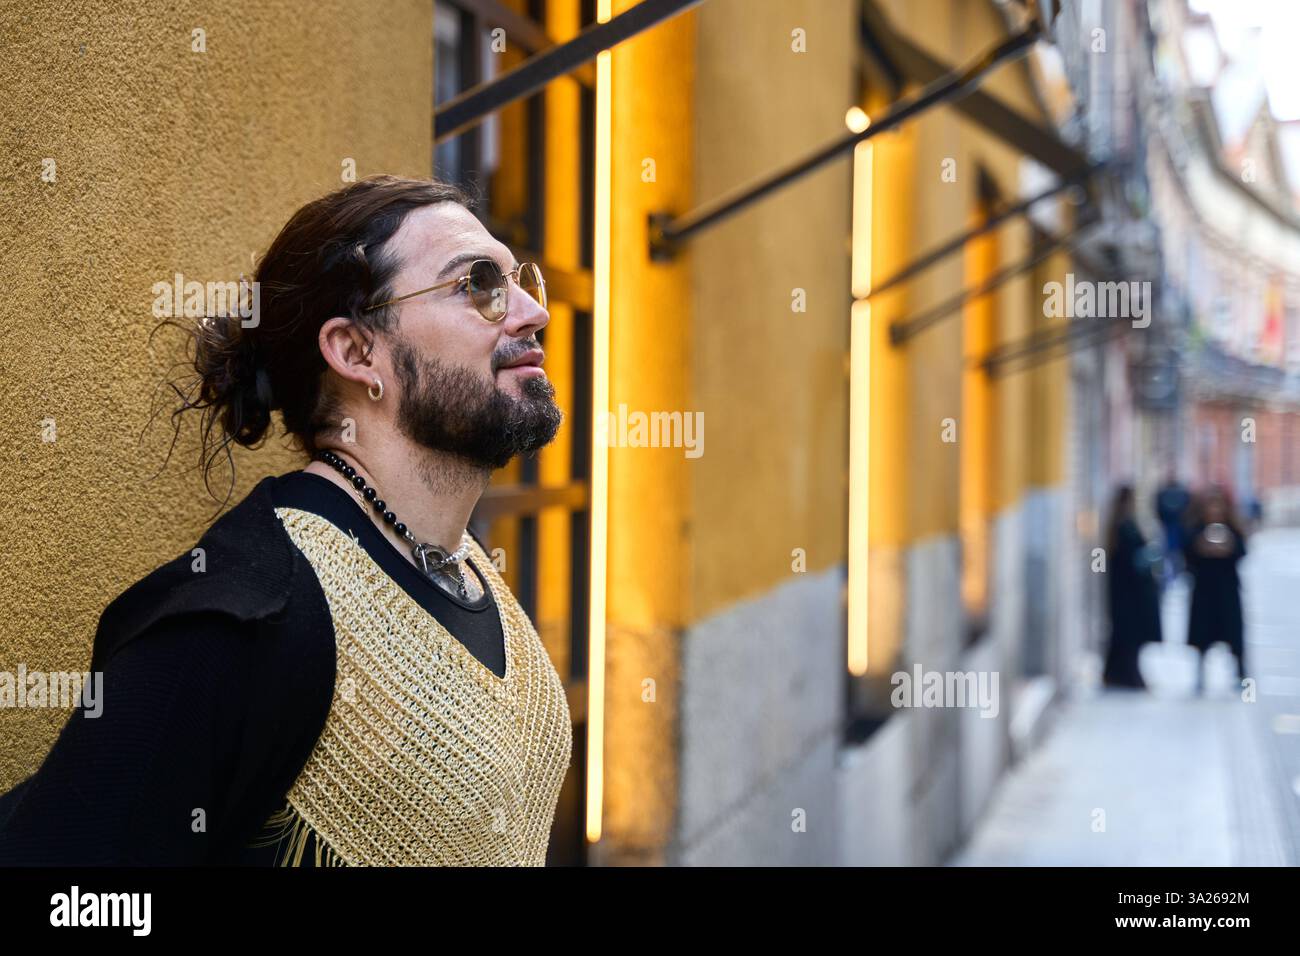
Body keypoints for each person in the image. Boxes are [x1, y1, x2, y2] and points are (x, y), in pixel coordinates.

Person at [0, 176, 572, 865]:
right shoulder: (249, 614)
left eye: (519, 281)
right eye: (476, 284)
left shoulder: (456, 557)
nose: (530, 313)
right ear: (357, 353)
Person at [1182, 485, 1248, 696]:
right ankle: (1199, 674)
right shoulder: (1195, 528)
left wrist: (1228, 548)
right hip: (1204, 590)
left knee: (1233, 634)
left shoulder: (1233, 528)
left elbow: (1242, 551)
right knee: (1202, 634)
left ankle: (1241, 674)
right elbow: (1186, 555)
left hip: (1227, 590)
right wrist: (1201, 548)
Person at [1102, 485, 1163, 689]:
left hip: (1123, 591)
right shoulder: (1125, 528)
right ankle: (1128, 676)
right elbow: (1132, 560)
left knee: (1123, 636)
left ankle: (1115, 674)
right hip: (1130, 593)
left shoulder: (1118, 527)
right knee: (1129, 636)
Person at [1154, 469, 1191, 588]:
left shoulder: (1165, 493)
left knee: (1172, 553)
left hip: (1174, 529)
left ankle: (1173, 575)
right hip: (1172, 529)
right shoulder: (1176, 493)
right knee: (1171, 553)